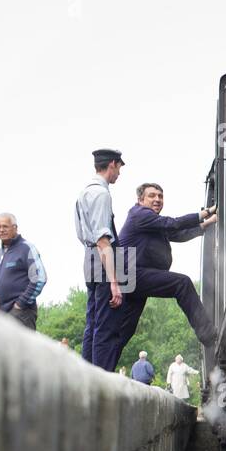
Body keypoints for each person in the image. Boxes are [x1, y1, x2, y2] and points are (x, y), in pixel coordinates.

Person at [104, 182, 219, 363]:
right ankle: (209, 336)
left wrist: (209, 224)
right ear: (140, 199)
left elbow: (178, 234)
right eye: (152, 196)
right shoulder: (139, 215)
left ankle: (104, 368)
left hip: (135, 279)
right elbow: (173, 224)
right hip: (134, 274)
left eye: (160, 196)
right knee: (182, 283)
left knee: (124, 331)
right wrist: (207, 212)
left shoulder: (150, 223)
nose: (157, 199)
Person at [75, 148, 126, 367]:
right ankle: (101, 378)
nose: (119, 174)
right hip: (103, 258)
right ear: (112, 164)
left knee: (93, 321)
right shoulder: (102, 194)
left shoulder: (84, 192)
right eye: (119, 168)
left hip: (90, 257)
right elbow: (103, 240)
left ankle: (87, 374)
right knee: (106, 325)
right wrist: (114, 281)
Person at [0, 213, 47, 330]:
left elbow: (39, 278)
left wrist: (20, 305)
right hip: (0, 316)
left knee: (22, 349)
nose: (1, 230)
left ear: (15, 228)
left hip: (21, 314)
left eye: (5, 226)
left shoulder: (26, 248)